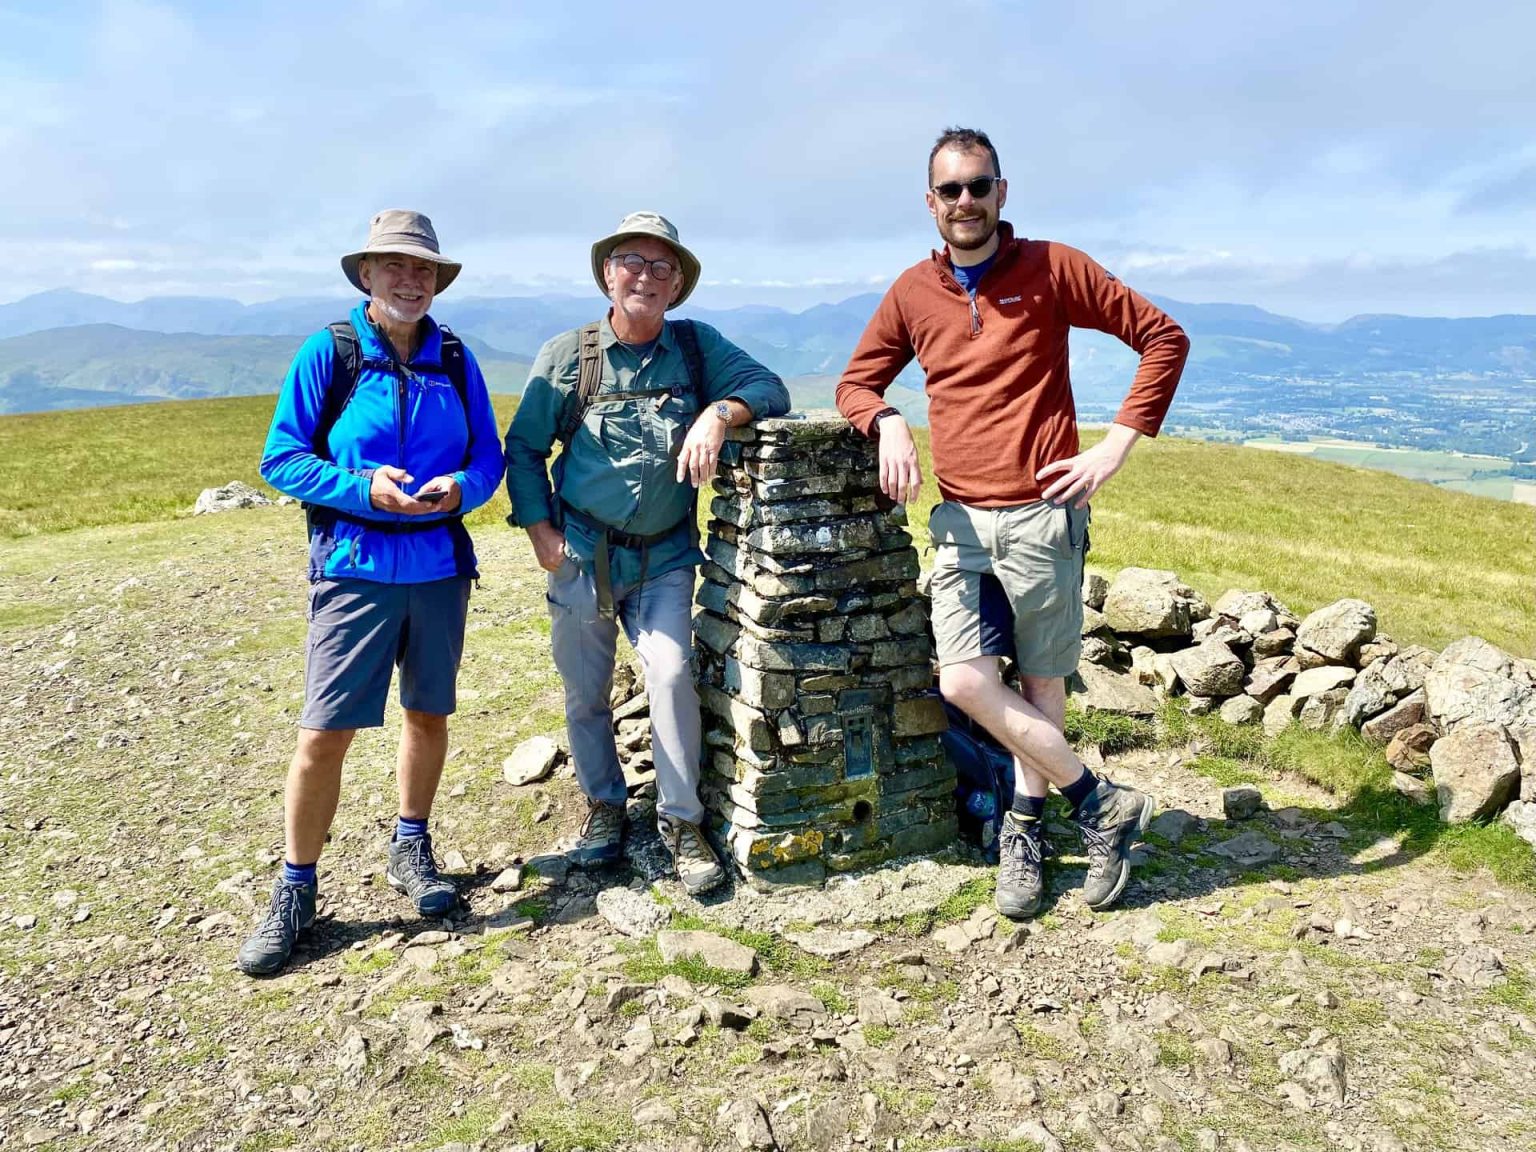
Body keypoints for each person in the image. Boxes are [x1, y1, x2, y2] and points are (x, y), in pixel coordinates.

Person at [836, 128, 1189, 919]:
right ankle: (1099, 802)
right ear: (931, 203)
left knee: (1040, 684)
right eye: (950, 190)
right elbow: (856, 382)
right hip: (960, 523)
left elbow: (1163, 338)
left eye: (978, 186)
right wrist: (888, 421)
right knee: (963, 680)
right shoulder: (912, 292)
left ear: (1002, 192)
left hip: (1043, 516)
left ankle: (1025, 833)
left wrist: (1114, 449)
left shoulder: (1053, 267)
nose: (965, 201)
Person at [239, 210, 505, 976]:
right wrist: (362, 489)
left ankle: (411, 845)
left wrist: (461, 489)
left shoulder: (454, 357)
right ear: (366, 274)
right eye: (396, 266)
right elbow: (281, 458)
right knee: (324, 733)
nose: (411, 280)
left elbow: (488, 456)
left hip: (438, 568)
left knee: (428, 714)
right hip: (353, 568)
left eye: (424, 269)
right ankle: (296, 890)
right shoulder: (331, 352)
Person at [504, 212, 790, 895]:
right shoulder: (569, 356)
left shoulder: (695, 348)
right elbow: (523, 448)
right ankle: (604, 807)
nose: (647, 277)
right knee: (586, 691)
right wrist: (541, 533)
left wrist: (717, 414)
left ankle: (681, 821)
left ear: (677, 285)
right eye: (633, 262)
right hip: (581, 552)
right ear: (608, 273)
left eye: (664, 268)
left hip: (664, 556)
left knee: (669, 673)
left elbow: (770, 388)